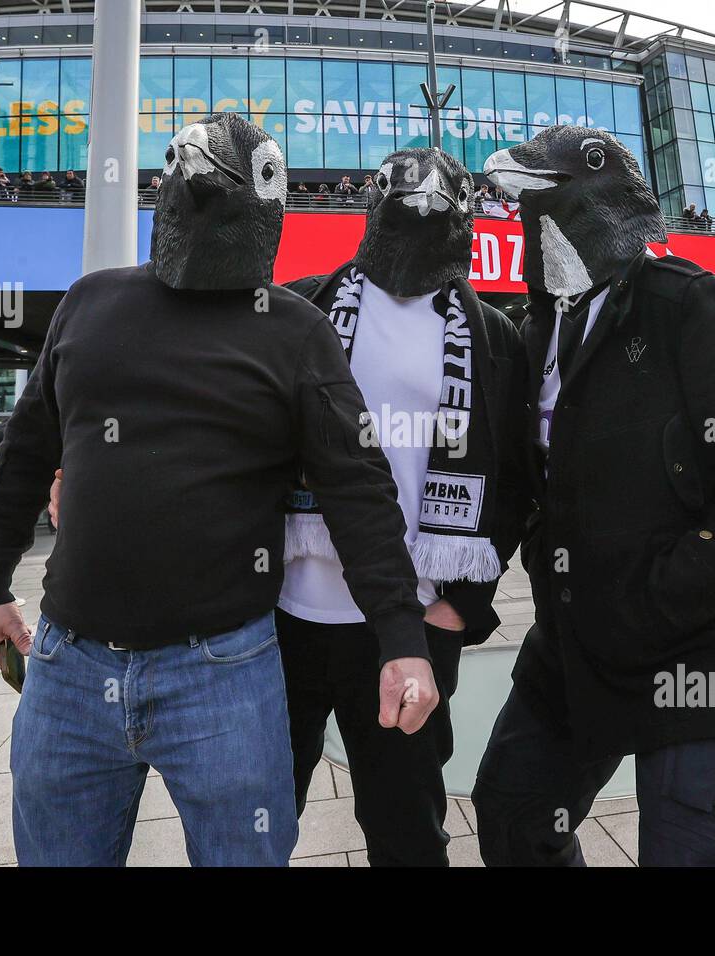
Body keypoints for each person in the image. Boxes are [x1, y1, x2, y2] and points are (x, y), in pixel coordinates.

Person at [0, 115, 438, 868]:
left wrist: (401, 637)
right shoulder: (90, 303)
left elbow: (358, 490)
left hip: (223, 676)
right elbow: (26, 450)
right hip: (68, 670)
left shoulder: (294, 330)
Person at [477, 125, 715, 867]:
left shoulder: (689, 305)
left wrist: (662, 594)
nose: (527, 218)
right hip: (570, 649)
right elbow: (514, 488)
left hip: (699, 653)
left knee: (693, 850)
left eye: (545, 192)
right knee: (513, 818)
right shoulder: (538, 332)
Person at [271, 147, 528, 866]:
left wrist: (461, 605)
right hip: (289, 617)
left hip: (411, 626)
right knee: (256, 821)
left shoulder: (492, 339)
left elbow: (516, 485)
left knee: (409, 829)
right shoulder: (301, 308)